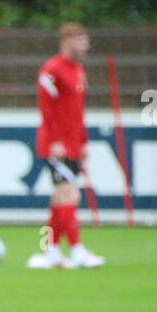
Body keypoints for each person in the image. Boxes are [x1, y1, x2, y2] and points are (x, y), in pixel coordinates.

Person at [28, 22, 105, 270]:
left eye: (87, 40)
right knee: (71, 194)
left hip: (73, 145)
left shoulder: (79, 70)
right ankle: (77, 251)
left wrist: (83, 141)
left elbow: (77, 111)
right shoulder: (52, 70)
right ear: (67, 41)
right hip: (55, 147)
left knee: (60, 199)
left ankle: (50, 252)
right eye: (81, 40)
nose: (86, 45)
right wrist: (54, 142)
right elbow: (47, 109)